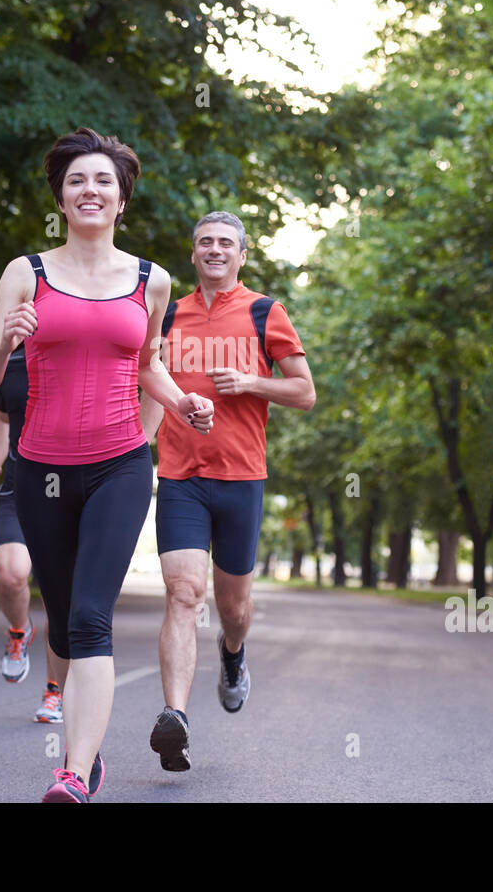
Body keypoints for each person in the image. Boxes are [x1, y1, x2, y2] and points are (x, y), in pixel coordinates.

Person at [0, 127, 213, 802]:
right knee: (64, 618)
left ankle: (74, 771)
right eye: (77, 180)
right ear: (61, 196)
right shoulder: (27, 273)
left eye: (103, 180)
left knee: (89, 617)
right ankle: (88, 753)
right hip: (40, 466)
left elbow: (147, 366)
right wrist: (5, 345)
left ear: (121, 199)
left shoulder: (150, 279)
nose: (90, 190)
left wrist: (181, 401)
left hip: (120, 464)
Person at [140, 211, 314, 772]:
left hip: (242, 479)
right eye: (204, 242)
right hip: (181, 478)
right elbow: (147, 376)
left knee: (233, 608)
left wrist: (251, 383)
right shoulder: (168, 316)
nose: (214, 250)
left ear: (241, 255)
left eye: (225, 243)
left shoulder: (266, 312)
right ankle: (176, 719)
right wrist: (139, 449)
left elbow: (304, 392)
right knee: (184, 594)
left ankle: (233, 655)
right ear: (193, 254)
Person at [0, 346, 63, 723]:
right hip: (18, 484)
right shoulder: (10, 357)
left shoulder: (77, 351)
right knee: (12, 574)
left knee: (59, 596)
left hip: (65, 486)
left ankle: (54, 692)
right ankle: (19, 632)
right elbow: (2, 416)